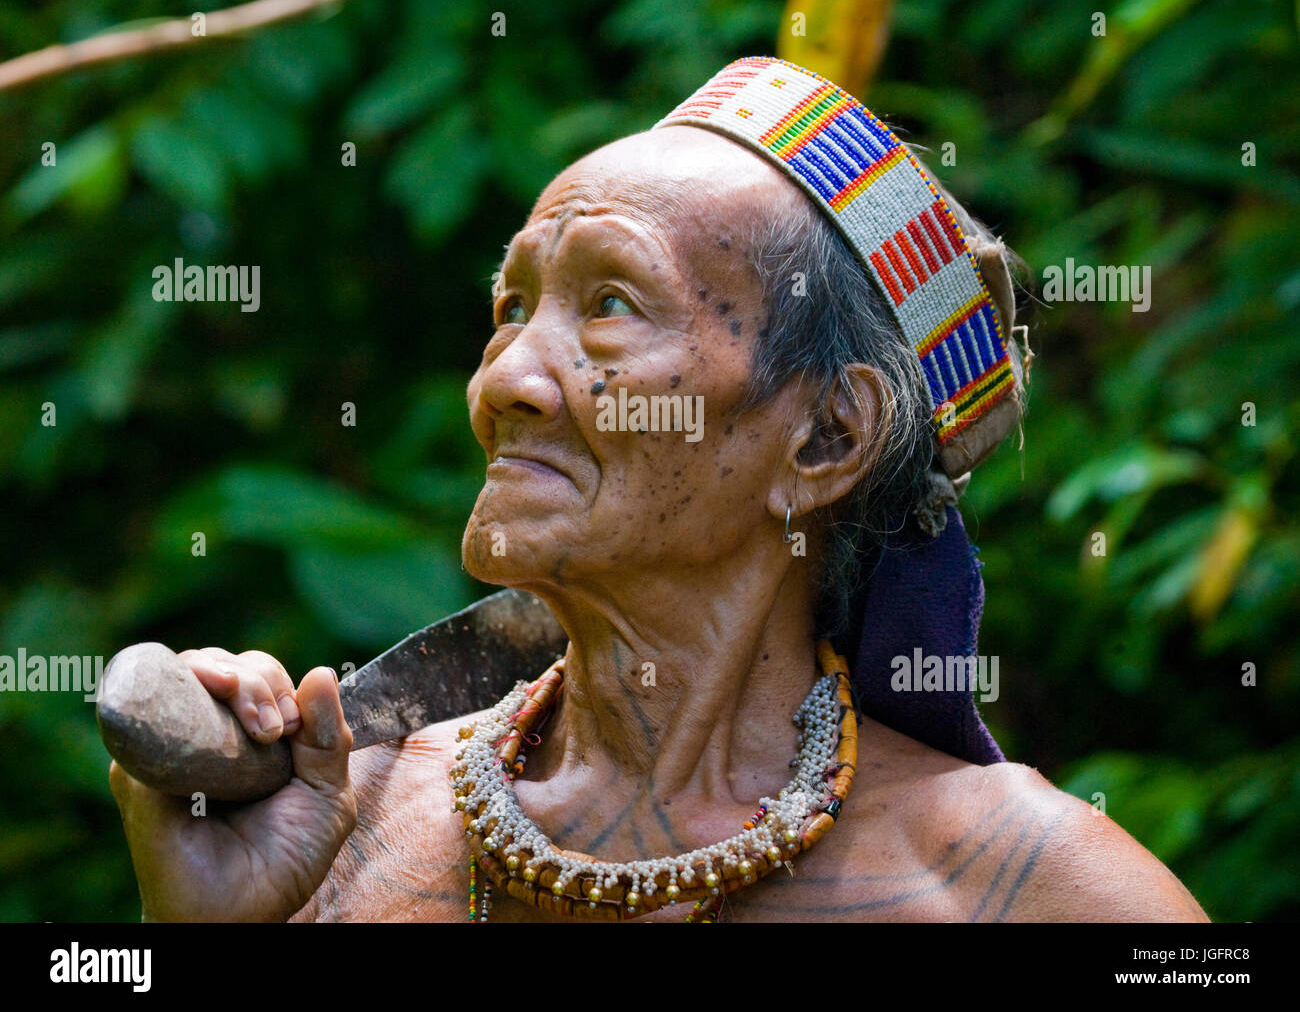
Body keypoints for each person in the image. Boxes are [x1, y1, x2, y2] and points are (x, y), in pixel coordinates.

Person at [109, 57, 1208, 922]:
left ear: (825, 438)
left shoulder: (1022, 892)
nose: (505, 381)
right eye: (510, 309)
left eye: (611, 306)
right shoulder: (342, 826)